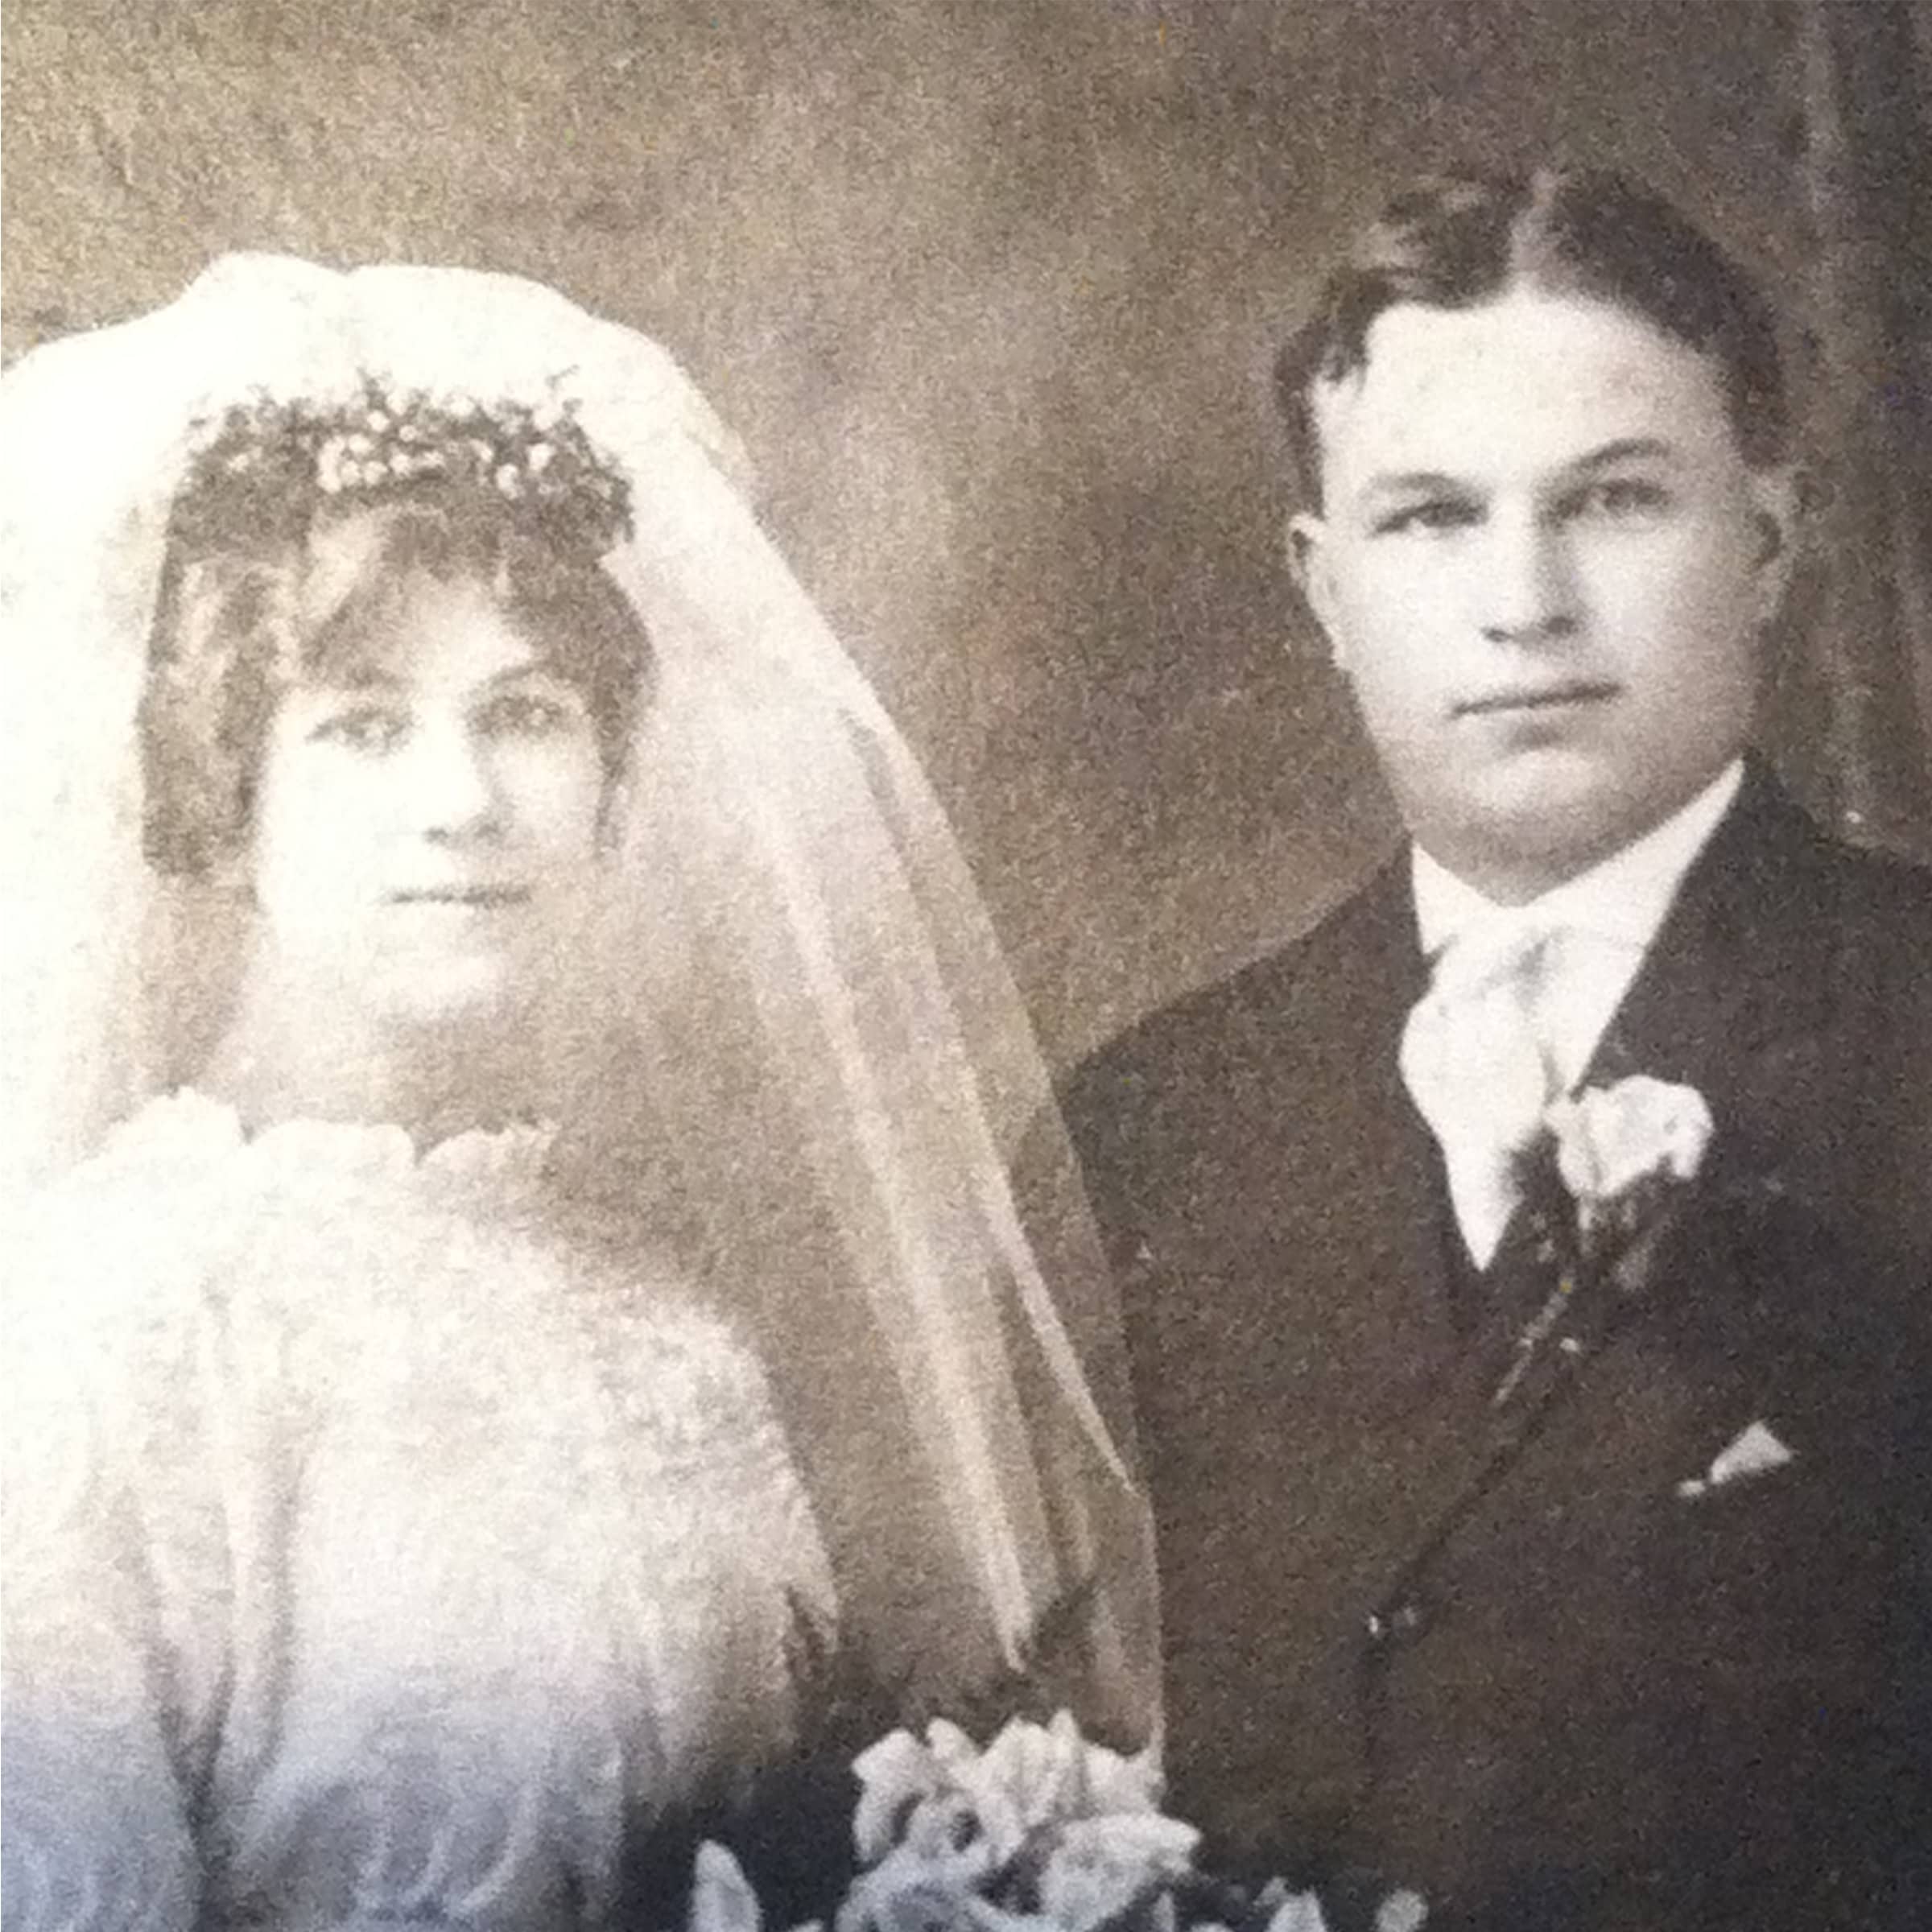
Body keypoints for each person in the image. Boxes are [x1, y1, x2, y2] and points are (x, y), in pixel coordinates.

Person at [0, 255, 1156, 1931]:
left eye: (527, 714)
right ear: (223, 789)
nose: (462, 799)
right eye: (363, 726)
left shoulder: (652, 1300)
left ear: (613, 784)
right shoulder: (86, 1341)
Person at [1061, 169, 1932, 1930]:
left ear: (1770, 541)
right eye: (1430, 519)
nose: (1523, 601)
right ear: (1320, 586)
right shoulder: (1144, 1129)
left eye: (1614, 501)